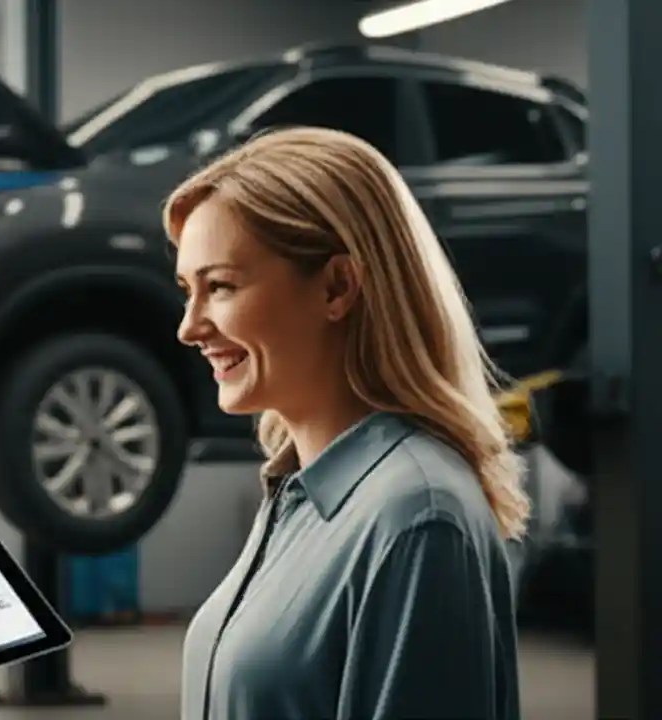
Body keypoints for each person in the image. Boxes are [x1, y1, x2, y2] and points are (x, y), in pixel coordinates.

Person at [167, 126, 528, 719]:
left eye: (221, 287)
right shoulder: (302, 491)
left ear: (337, 287)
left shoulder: (416, 517)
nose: (189, 326)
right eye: (188, 290)